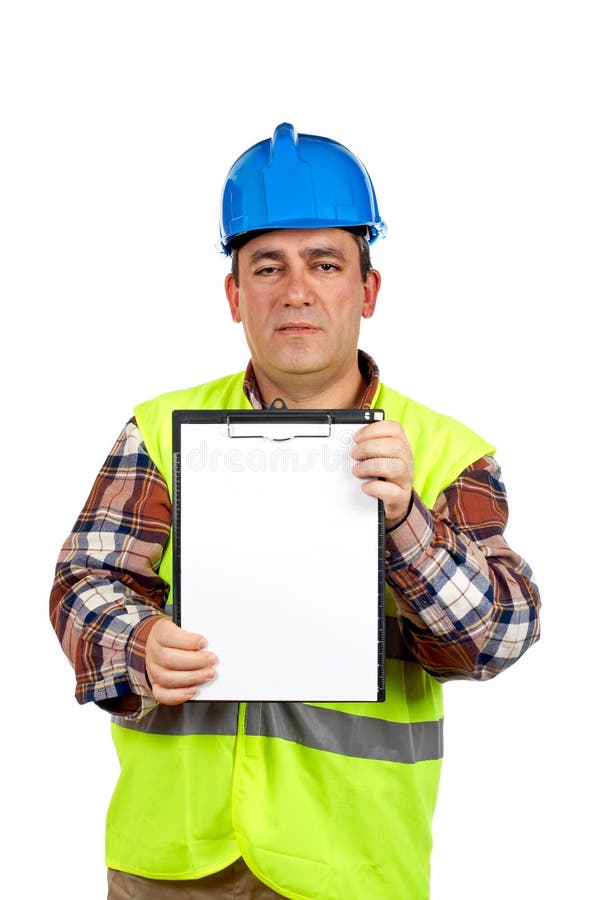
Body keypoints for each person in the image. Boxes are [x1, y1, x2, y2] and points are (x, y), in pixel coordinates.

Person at [50, 122, 540, 900]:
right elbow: (86, 581)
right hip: (172, 862)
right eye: (267, 266)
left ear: (366, 290)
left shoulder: (446, 451)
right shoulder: (158, 428)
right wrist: (136, 641)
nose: (296, 290)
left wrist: (407, 522)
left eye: (324, 263)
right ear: (234, 294)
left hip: (353, 867)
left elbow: (496, 639)